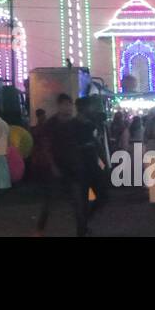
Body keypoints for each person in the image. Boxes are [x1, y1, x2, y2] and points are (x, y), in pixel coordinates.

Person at [35, 94, 89, 236]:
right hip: (57, 168)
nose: (68, 108)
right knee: (49, 201)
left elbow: (83, 142)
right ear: (59, 106)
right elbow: (46, 146)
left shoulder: (75, 124)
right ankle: (40, 229)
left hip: (74, 168)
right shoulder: (51, 124)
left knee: (78, 203)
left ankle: (81, 232)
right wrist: (53, 165)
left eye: (70, 105)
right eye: (65, 105)